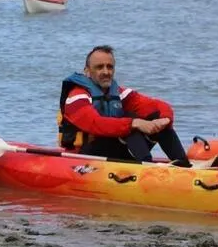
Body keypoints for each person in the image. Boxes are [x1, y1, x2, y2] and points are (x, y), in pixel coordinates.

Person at [58, 45, 191, 165]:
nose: (106, 72)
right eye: (99, 67)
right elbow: (95, 123)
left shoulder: (120, 94)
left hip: (114, 151)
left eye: (110, 67)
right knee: (130, 121)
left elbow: (158, 106)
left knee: (154, 116)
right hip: (85, 155)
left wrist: (164, 119)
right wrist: (134, 123)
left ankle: (182, 164)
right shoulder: (76, 97)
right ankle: (147, 166)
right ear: (87, 71)